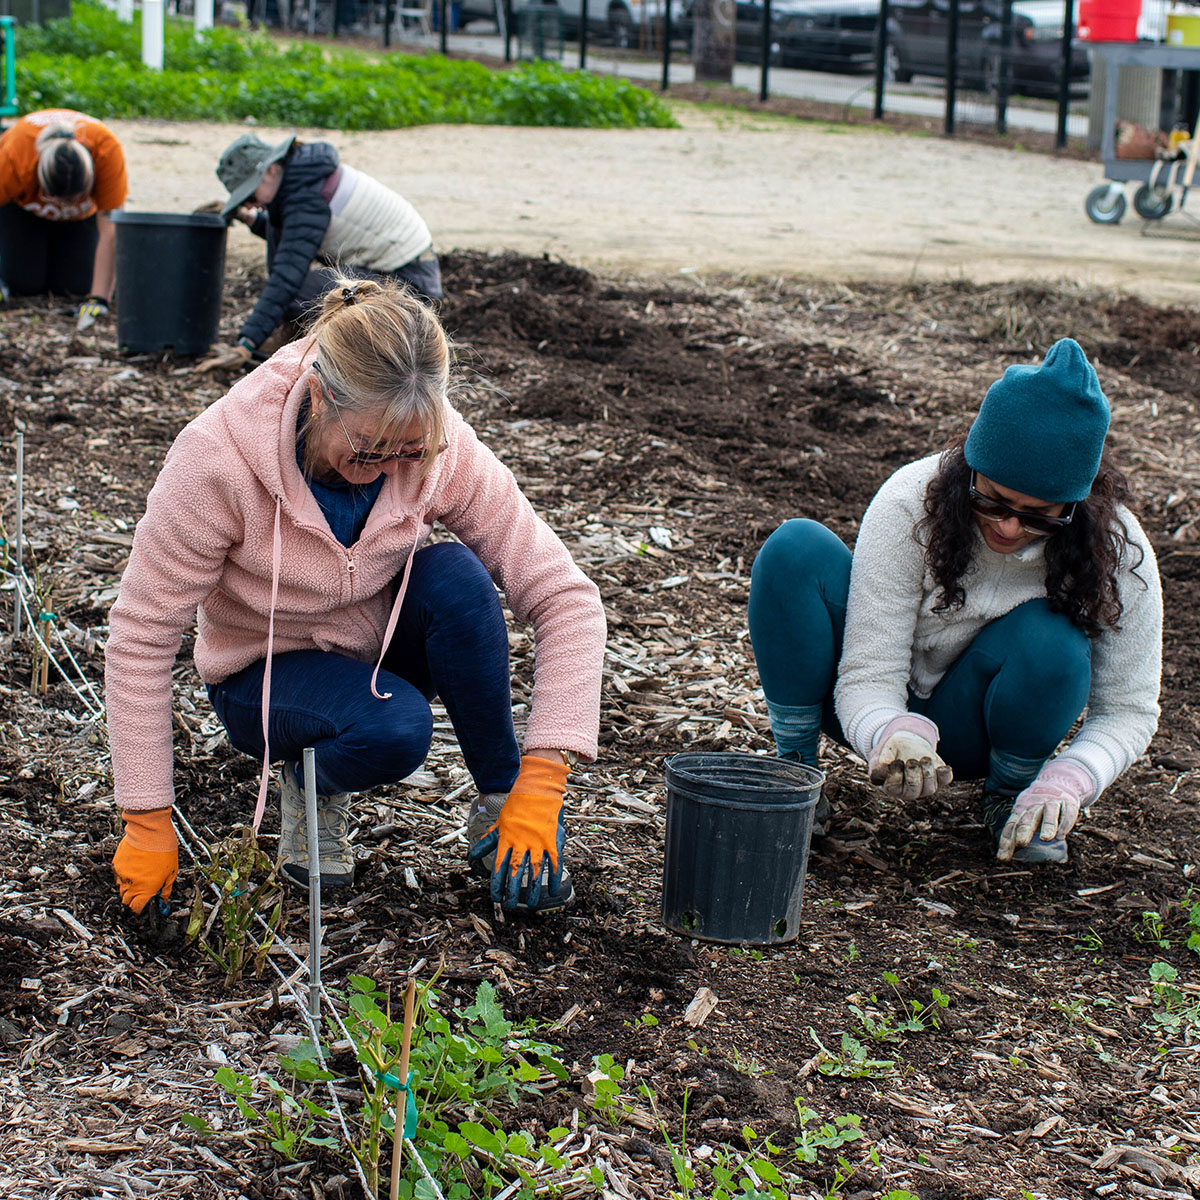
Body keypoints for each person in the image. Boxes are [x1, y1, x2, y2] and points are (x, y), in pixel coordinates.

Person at [106, 276, 606, 921]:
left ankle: (504, 810)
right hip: (265, 674)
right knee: (394, 729)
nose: (388, 469)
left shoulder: (439, 448)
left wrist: (543, 781)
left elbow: (566, 597)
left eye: (410, 452)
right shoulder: (217, 462)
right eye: (368, 450)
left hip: (376, 645)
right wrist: (146, 820)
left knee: (456, 580)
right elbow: (142, 638)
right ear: (319, 396)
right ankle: (310, 784)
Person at [747, 338, 1162, 865]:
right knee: (794, 550)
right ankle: (795, 773)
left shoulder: (1116, 549)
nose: (1010, 526)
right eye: (992, 500)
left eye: (1039, 516)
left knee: (1052, 637)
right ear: (969, 469)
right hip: (863, 706)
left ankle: (1011, 801)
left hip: (978, 728)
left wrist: (1068, 781)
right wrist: (891, 729)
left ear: (1076, 505)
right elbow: (868, 673)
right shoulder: (910, 500)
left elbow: (1128, 709)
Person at [199, 133, 443, 372]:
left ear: (271, 169)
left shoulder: (305, 198)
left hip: (409, 289)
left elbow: (287, 273)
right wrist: (250, 218)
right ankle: (299, 336)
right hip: (393, 270)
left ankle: (313, 343)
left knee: (298, 290)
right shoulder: (303, 178)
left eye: (249, 195)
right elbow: (297, 239)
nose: (250, 203)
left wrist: (246, 343)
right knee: (304, 287)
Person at [0, 109, 128, 331]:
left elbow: (111, 231)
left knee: (76, 286)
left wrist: (99, 299)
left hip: (80, 221)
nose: (64, 205)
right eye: (59, 199)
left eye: (75, 198)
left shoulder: (107, 151)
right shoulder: (15, 155)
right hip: (24, 214)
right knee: (23, 284)